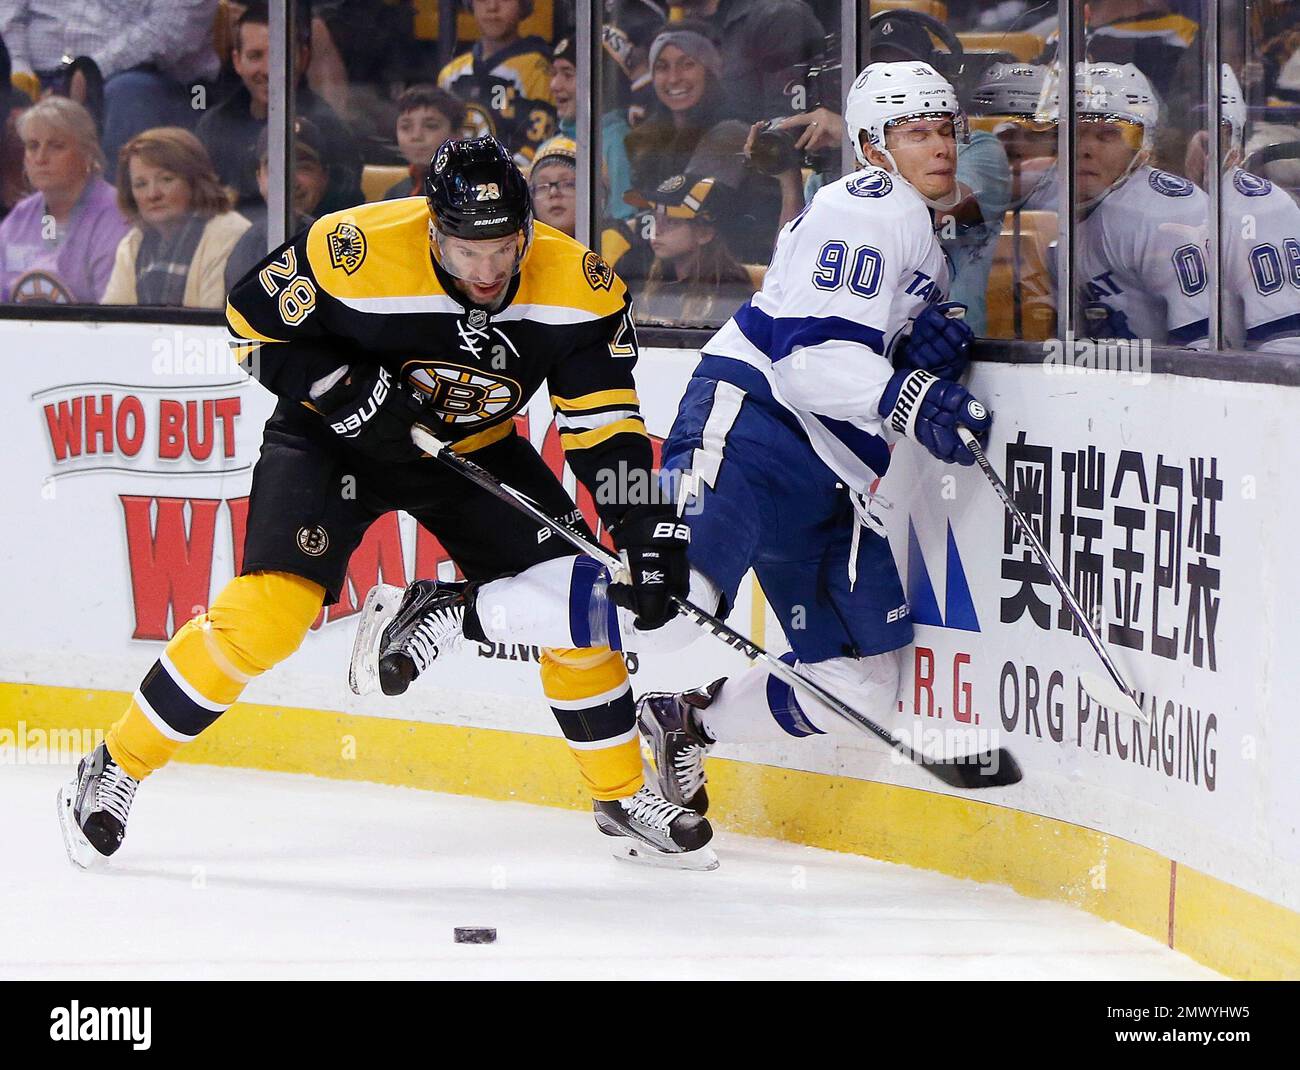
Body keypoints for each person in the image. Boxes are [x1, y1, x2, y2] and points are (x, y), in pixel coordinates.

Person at [355, 63, 993, 822]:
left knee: (857, 683)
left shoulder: (916, 228)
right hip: (755, 424)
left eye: (945, 129)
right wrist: (907, 393)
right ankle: (450, 610)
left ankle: (688, 720)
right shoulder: (871, 205)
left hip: (833, 467)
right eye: (915, 132)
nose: (940, 147)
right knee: (674, 599)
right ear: (870, 146)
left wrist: (910, 347)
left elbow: (851, 336)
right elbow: (808, 353)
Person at [59, 136, 713, 872]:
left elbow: (605, 425)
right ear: (432, 228)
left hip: (470, 450)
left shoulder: (579, 287)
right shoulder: (352, 248)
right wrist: (341, 389)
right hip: (331, 441)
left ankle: (619, 794)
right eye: (469, 252)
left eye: (505, 248)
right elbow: (250, 328)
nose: (489, 271)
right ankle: (115, 763)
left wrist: (643, 523)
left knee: (577, 597)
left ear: (528, 229)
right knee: (266, 616)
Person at [1029, 62, 1210, 345]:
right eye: (1074, 133)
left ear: (1143, 149)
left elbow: (1204, 351)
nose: (1085, 149)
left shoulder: (1167, 214)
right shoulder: (1046, 201)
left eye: (1107, 135)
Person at [624, 19, 779, 263]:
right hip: (671, 272)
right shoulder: (648, 137)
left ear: (710, 69)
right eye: (662, 67)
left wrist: (629, 228)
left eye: (687, 64)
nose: (674, 78)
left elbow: (682, 214)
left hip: (727, 272)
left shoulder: (730, 132)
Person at [0, 0, 220, 164]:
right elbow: (9, 10)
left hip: (148, 80)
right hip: (36, 70)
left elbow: (170, 31)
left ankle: (118, 214)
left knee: (129, 92)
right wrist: (18, 68)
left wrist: (91, 70)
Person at [195, 1, 362, 215]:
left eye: (280, 55)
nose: (268, 69)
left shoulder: (330, 131)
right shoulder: (213, 126)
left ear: (302, 58)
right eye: (255, 56)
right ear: (237, 61)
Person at [101, 127, 250, 308]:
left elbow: (214, 326)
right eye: (140, 184)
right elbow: (115, 324)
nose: (152, 194)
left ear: (195, 181)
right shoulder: (133, 243)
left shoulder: (230, 233)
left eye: (166, 179)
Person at [0, 96, 128, 303]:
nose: (41, 158)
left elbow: (114, 316)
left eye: (56, 146)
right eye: (33, 146)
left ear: (88, 154)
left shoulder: (115, 213)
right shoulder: (21, 215)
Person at [628, 173, 753, 327]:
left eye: (671, 221)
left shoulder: (730, 293)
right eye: (655, 219)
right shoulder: (650, 280)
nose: (656, 230)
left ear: (705, 233)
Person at [437, 0, 556, 164]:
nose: (492, 7)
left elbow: (538, 146)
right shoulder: (451, 74)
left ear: (523, 5)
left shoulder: (537, 69)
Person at [223, 118, 331, 293]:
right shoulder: (245, 243)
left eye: (303, 167)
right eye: (276, 167)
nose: (289, 180)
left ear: (324, 177)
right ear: (259, 178)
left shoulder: (343, 239)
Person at [550, 34, 634, 221]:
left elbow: (624, 221)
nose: (555, 84)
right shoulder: (551, 144)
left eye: (568, 74)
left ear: (599, 82)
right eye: (554, 73)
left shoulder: (618, 142)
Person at [384, 84, 466, 200]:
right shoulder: (395, 194)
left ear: (457, 135)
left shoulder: (472, 190)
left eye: (431, 126)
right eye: (405, 127)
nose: (416, 136)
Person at [527, 133, 576, 236]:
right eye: (542, 186)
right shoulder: (520, 248)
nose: (553, 193)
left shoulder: (611, 245)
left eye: (567, 184)